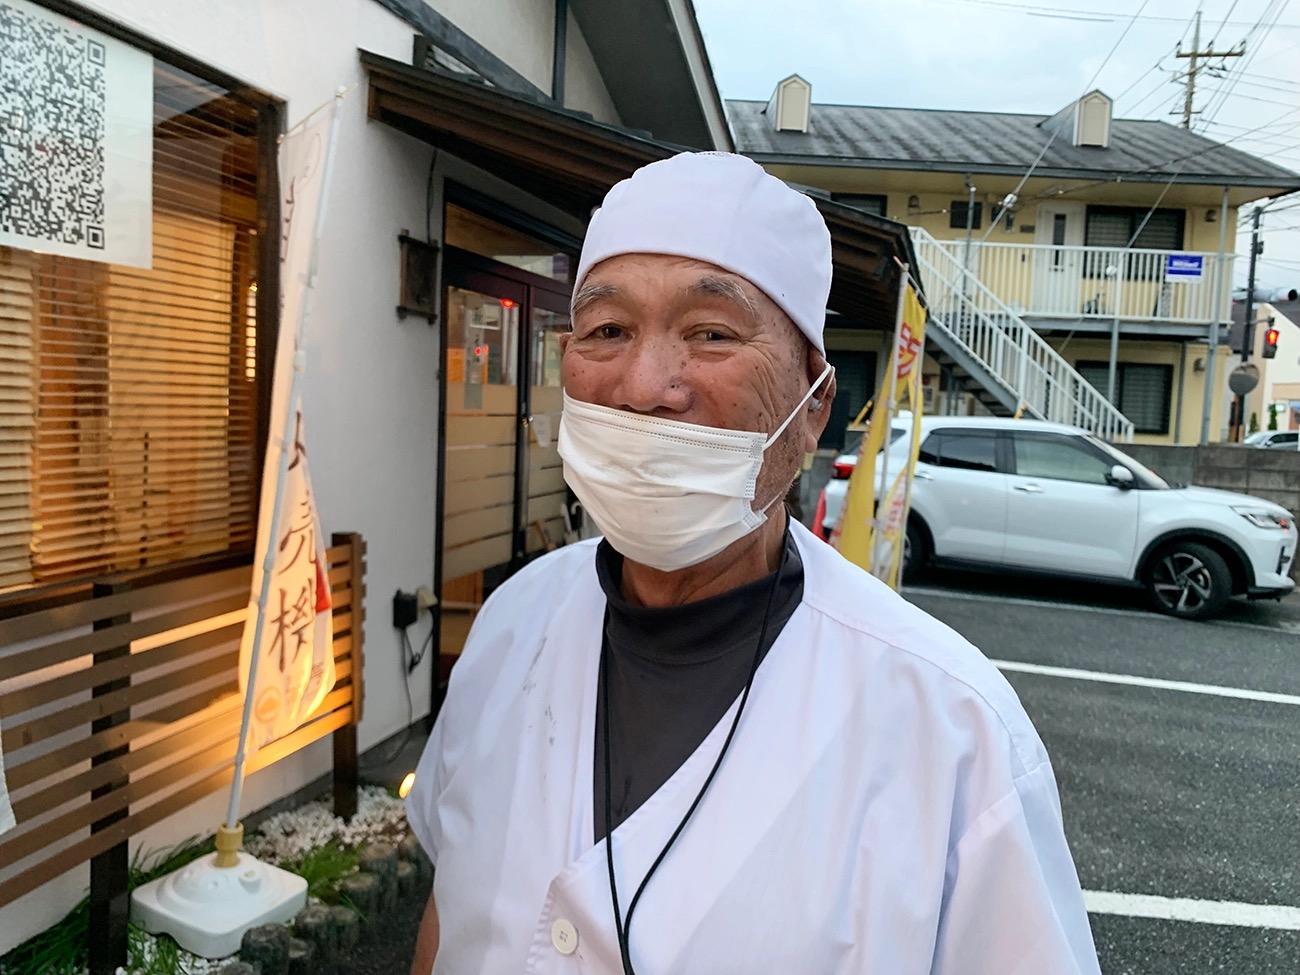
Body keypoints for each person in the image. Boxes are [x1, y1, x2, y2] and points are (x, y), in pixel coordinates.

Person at [406, 152, 1100, 975]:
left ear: (814, 408)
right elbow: (449, 919)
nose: (644, 384)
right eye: (607, 330)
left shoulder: (951, 726)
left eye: (711, 333)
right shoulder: (509, 625)